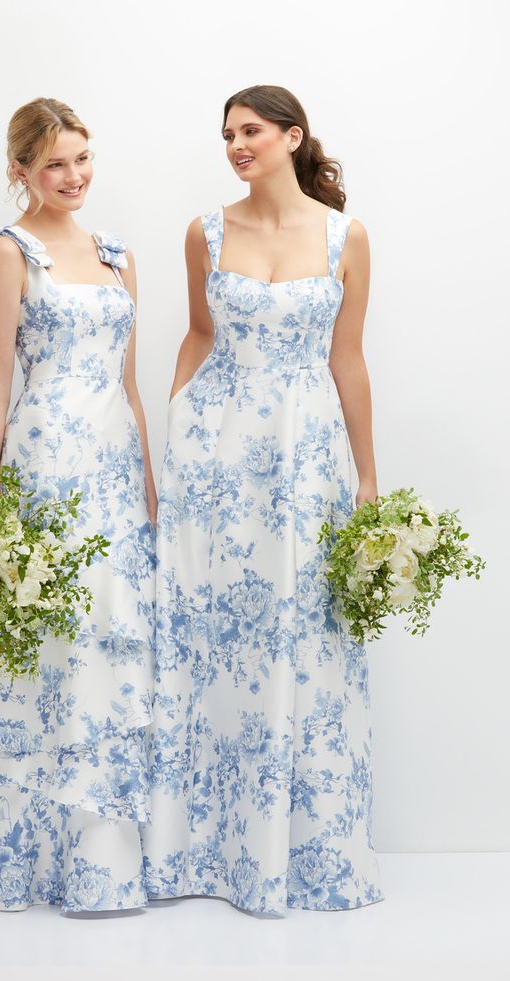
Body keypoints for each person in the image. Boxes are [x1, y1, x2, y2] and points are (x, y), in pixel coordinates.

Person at [140, 84, 385, 913]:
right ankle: (206, 852)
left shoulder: (346, 236)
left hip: (304, 452)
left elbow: (347, 359)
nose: (236, 145)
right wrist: (174, 436)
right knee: (217, 638)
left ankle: (299, 854)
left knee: (301, 632)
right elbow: (199, 335)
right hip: (217, 452)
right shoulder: (205, 231)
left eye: (250, 132)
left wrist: (368, 475)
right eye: (227, 135)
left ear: (292, 136)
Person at [0, 97, 157, 913]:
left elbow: (131, 385)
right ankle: (33, 858)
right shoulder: (11, 254)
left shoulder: (118, 256)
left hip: (113, 469)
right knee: (54, 647)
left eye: (82, 159)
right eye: (54, 165)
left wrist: (147, 482)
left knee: (112, 641)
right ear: (20, 173)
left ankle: (106, 863)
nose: (73, 177)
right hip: (44, 466)